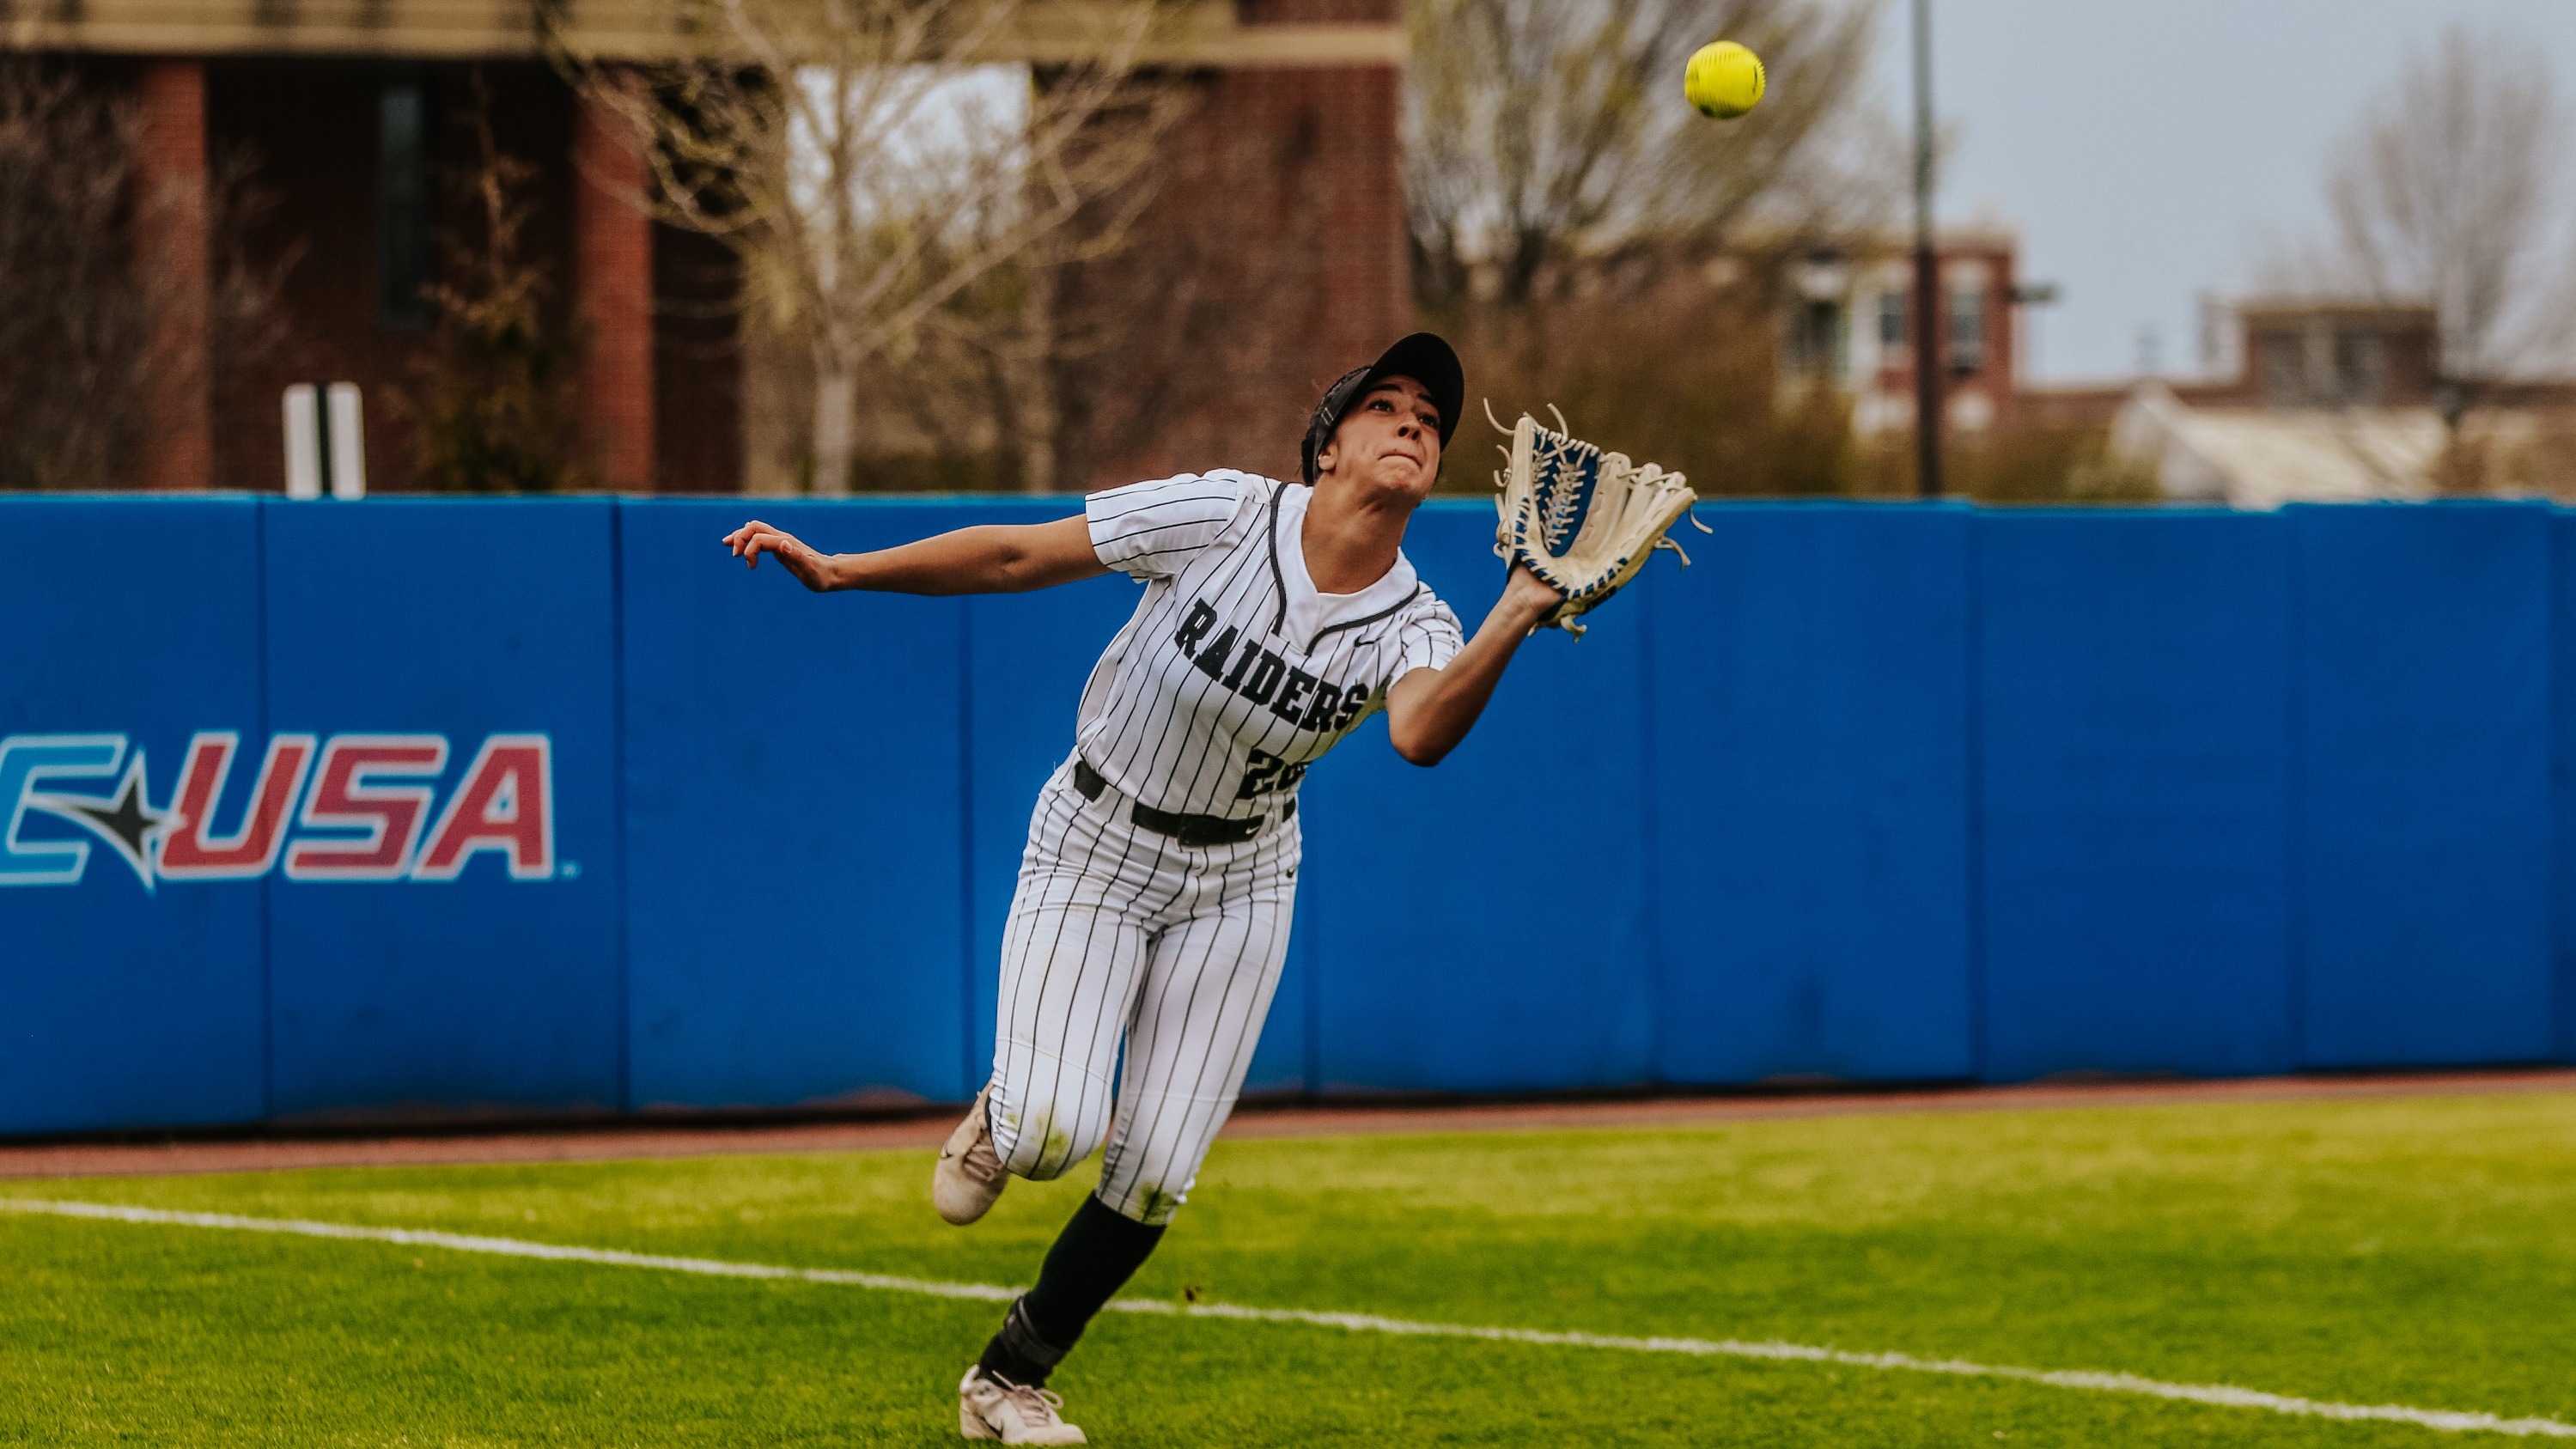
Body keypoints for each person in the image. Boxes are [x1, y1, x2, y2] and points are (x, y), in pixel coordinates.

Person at [722, 333, 1562, 1445]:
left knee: (1160, 1169)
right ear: (1325, 448)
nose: (1413, 422)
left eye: (1430, 418)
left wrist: (1514, 613)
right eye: (1387, 404)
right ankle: (1006, 1116)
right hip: (1098, 837)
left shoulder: (1416, 620)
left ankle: (1007, 1381)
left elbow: (1418, 734)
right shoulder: (1222, 514)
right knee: (1052, 1135)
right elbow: (1022, 557)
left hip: (1243, 876)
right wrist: (842, 569)